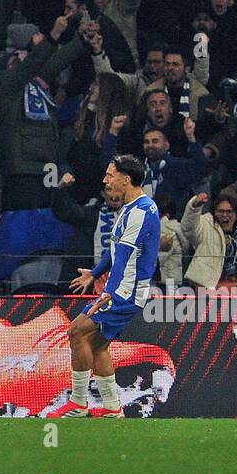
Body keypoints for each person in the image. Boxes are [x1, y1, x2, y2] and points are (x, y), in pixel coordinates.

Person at [47, 155, 161, 419]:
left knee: (77, 331)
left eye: (110, 175)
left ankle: (78, 403)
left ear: (126, 179)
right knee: (97, 345)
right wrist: (94, 273)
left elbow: (123, 258)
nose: (105, 180)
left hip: (126, 291)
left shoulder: (140, 213)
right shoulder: (132, 208)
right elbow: (115, 250)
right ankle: (112, 408)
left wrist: (108, 292)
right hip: (124, 289)